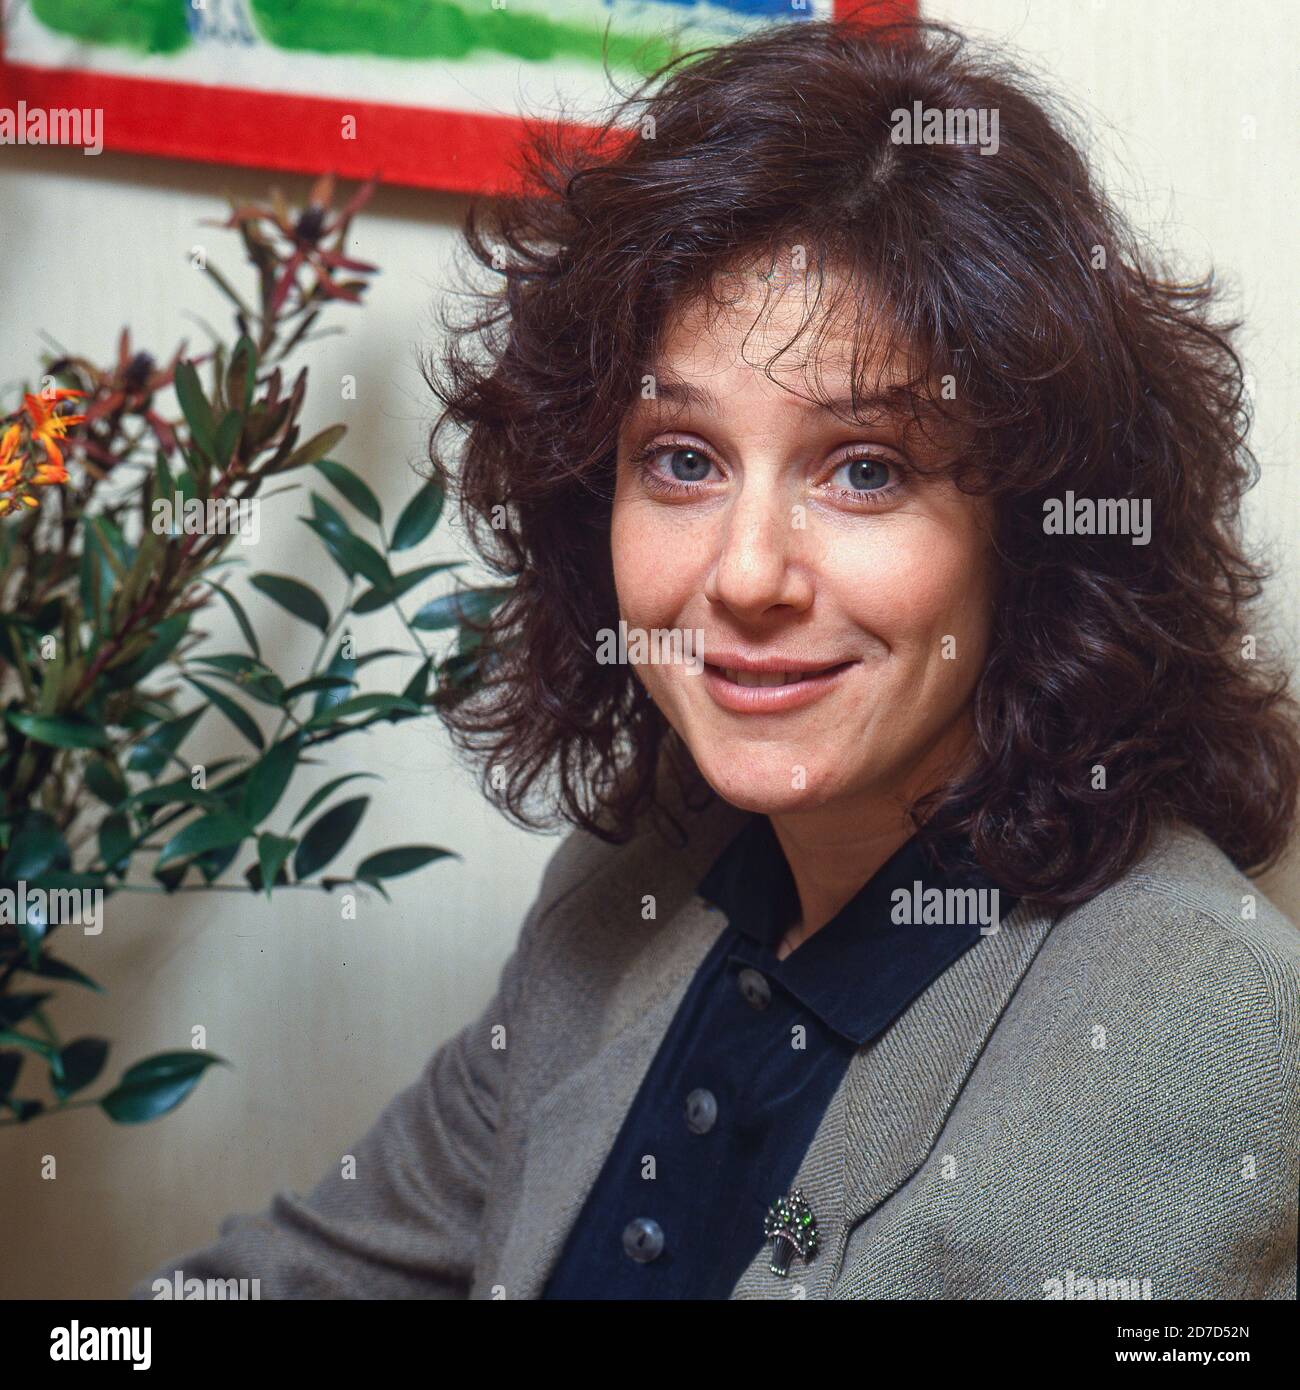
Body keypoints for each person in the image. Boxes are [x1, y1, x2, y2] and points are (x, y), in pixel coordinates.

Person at [131, 17, 1300, 1300]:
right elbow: (295, 1281)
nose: (745, 574)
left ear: (1028, 527)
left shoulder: (1195, 1022)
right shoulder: (637, 877)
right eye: (682, 460)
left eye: (866, 468)